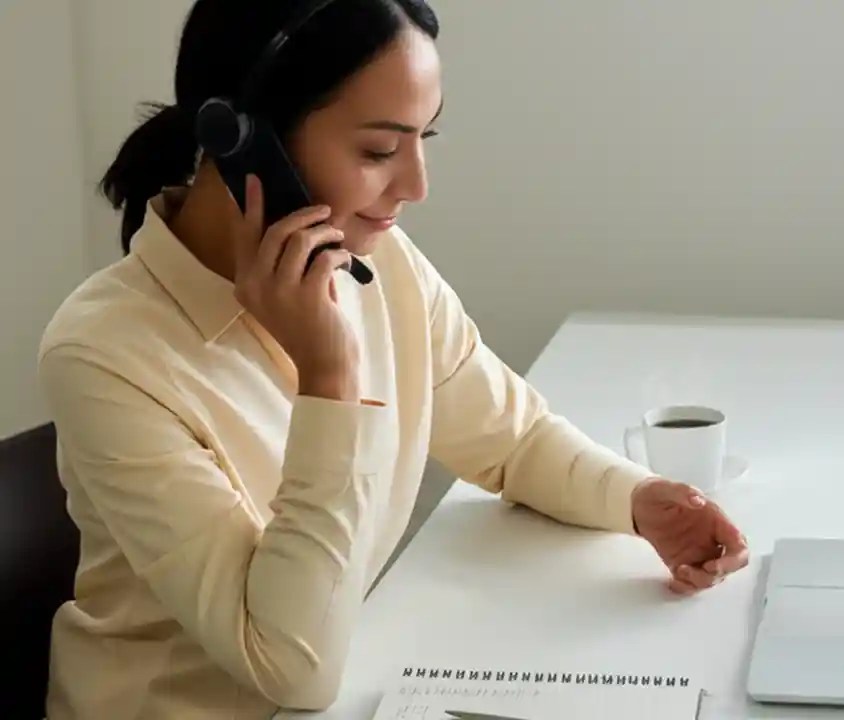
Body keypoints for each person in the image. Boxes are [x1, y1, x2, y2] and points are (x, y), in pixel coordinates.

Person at [37, 1, 749, 718]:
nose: (416, 186)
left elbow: (513, 440)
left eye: (423, 139)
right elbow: (289, 669)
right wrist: (330, 379)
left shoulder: (380, 269)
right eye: (380, 150)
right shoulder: (105, 354)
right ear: (247, 146)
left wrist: (638, 500)